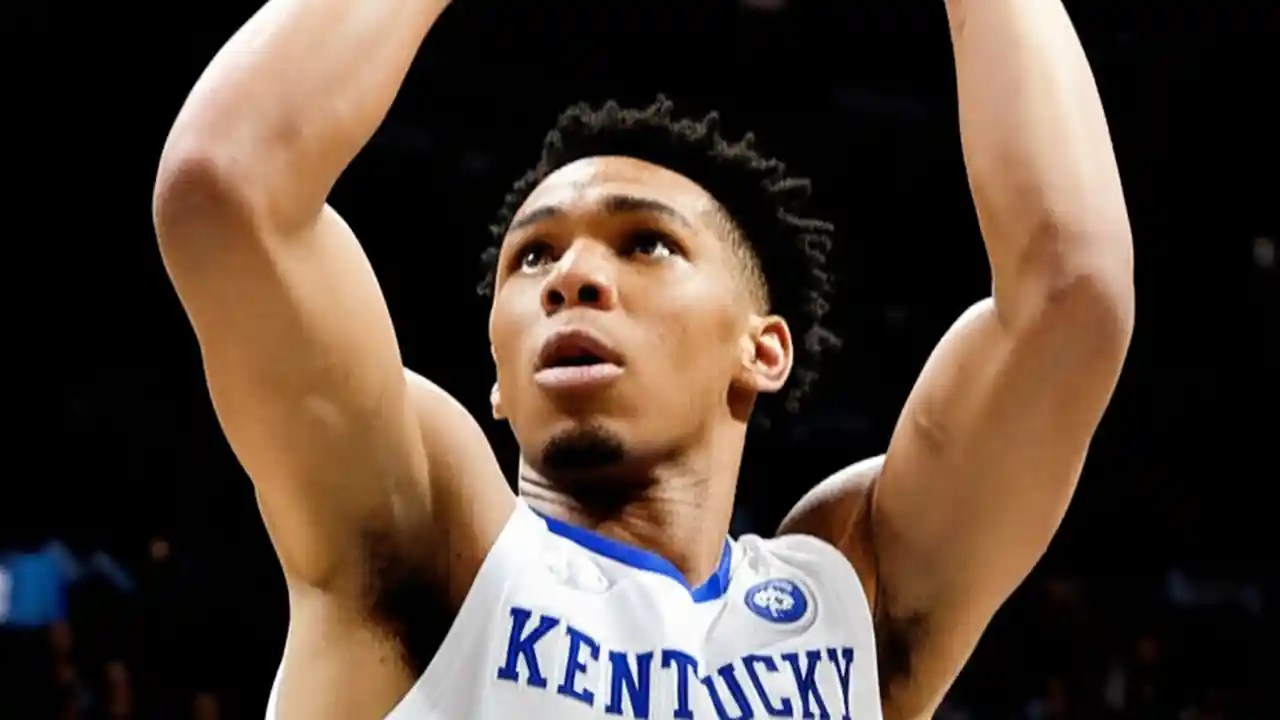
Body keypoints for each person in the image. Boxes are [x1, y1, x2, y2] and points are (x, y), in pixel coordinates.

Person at [151, 1, 1134, 718]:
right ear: (495, 377)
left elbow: (1071, 299)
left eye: (643, 244)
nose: (569, 276)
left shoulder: (846, 595)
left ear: (763, 348)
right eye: (530, 256)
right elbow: (225, 189)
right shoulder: (436, 541)